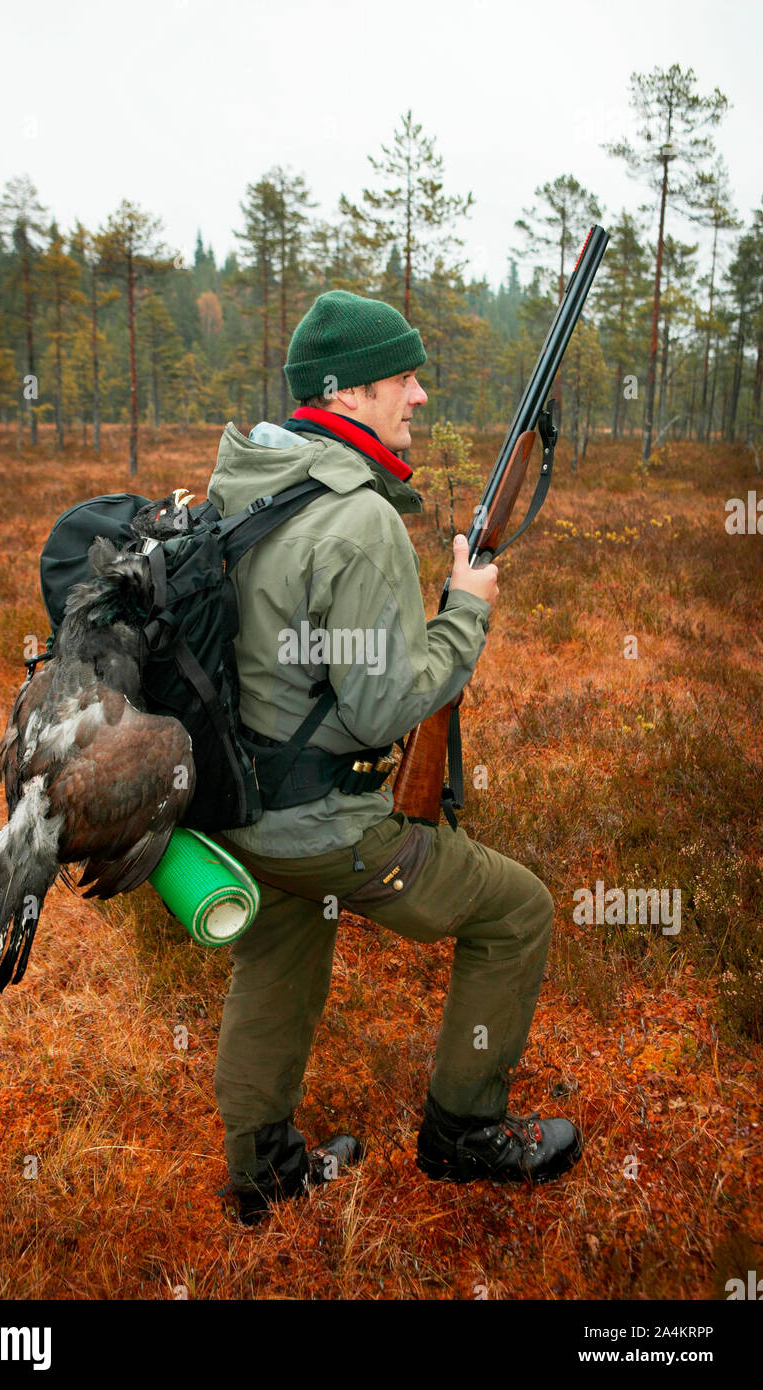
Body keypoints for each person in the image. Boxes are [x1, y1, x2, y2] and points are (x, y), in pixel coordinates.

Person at [206, 290, 583, 1224]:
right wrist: (464, 609)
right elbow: (383, 703)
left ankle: (260, 1168)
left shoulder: (250, 478)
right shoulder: (359, 518)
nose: (418, 395)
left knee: (278, 955)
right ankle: (464, 1132)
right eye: (403, 379)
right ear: (351, 392)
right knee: (518, 911)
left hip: (236, 812)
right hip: (326, 830)